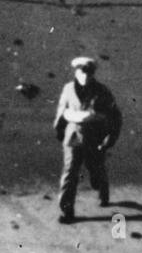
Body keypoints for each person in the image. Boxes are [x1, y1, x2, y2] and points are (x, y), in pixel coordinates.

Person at [53, 57, 123, 223]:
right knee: (70, 173)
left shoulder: (102, 91)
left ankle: (102, 192)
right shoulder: (68, 89)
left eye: (88, 72)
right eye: (82, 71)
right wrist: (59, 130)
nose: (85, 75)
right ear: (76, 72)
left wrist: (110, 138)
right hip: (73, 138)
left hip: (94, 138)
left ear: (93, 74)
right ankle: (66, 212)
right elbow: (62, 110)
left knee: (96, 168)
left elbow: (115, 116)